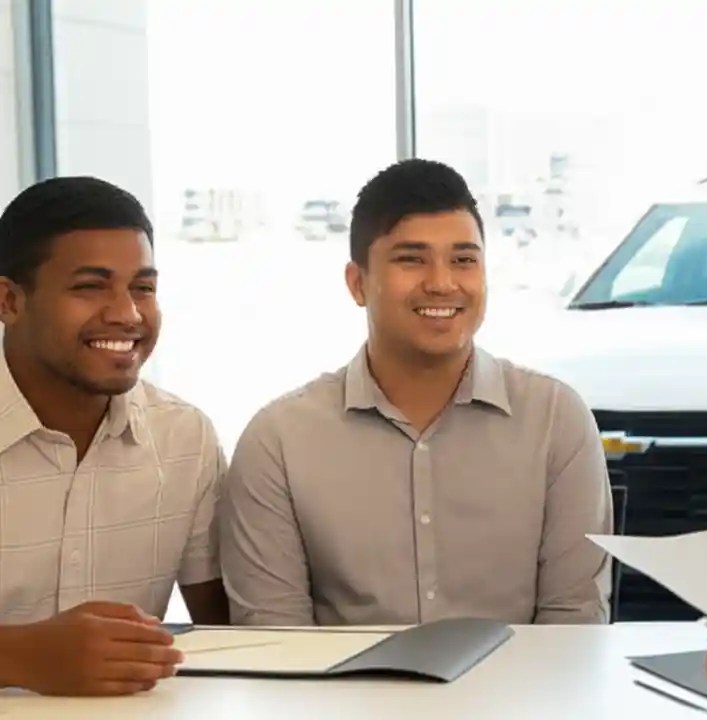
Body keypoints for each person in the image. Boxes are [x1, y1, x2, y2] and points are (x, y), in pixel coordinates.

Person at [220, 159, 612, 626]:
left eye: (464, 260)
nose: (442, 283)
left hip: (520, 697)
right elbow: (275, 638)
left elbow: (574, 623)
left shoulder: (556, 420)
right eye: (412, 259)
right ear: (357, 282)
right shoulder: (279, 441)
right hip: (343, 700)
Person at [0, 177, 228, 695]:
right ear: (9, 301)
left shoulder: (184, 439)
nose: (126, 314)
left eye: (142, 288)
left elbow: (232, 639)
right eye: (89, 286)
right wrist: (18, 655)